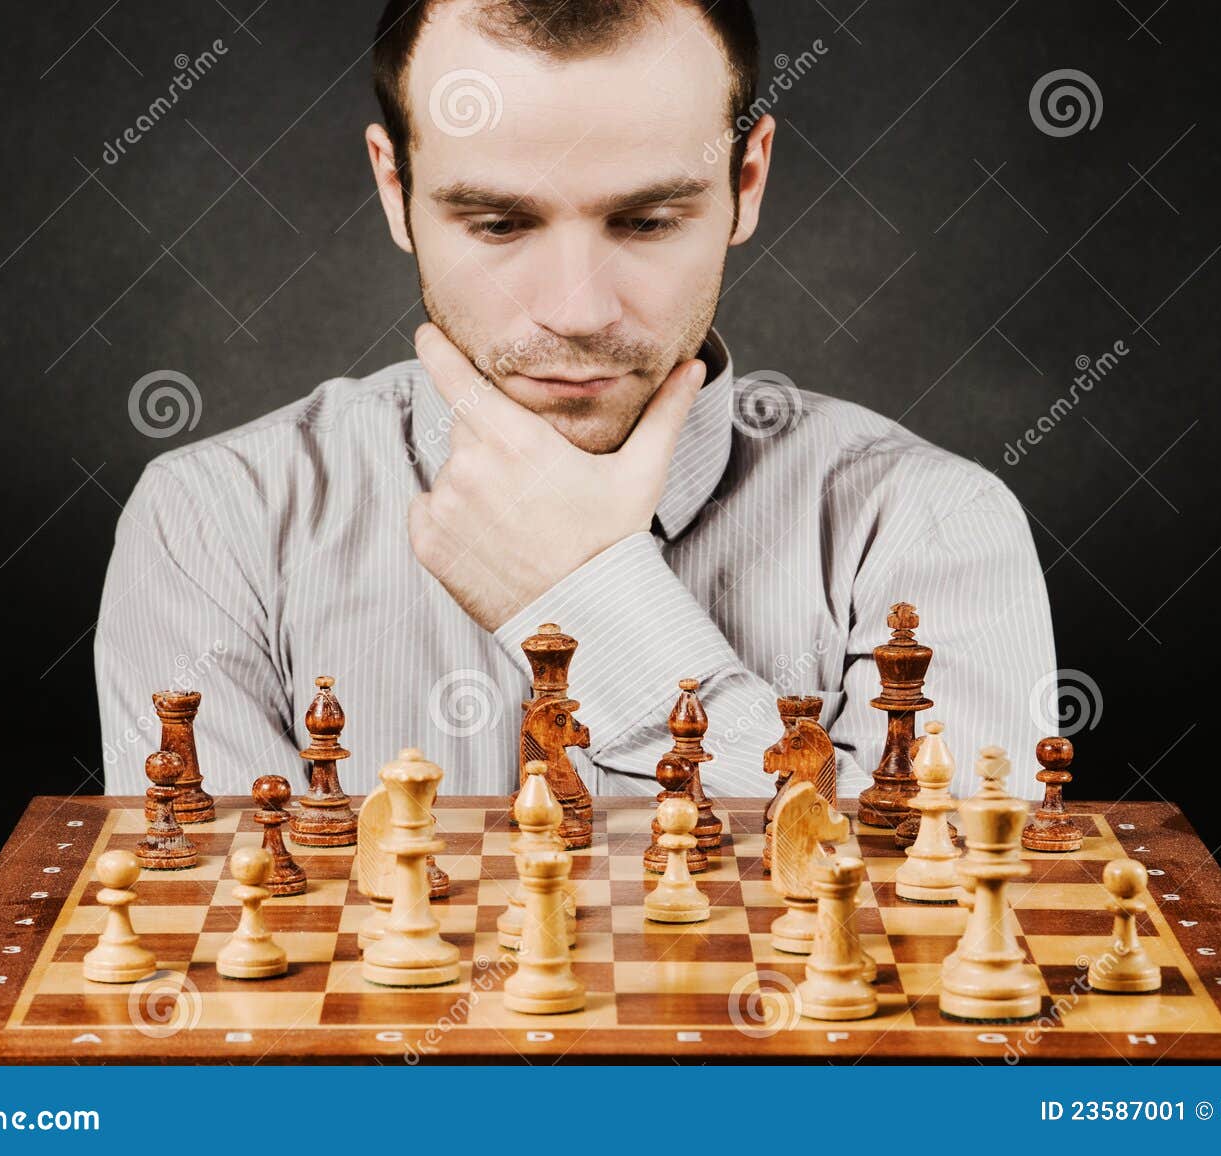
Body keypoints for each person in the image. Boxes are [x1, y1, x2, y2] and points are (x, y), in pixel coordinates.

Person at [95, 0, 1057, 801]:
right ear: (395, 189)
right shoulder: (210, 523)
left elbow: (932, 933)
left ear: (747, 181)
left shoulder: (935, 527)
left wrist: (581, 594)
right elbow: (229, 949)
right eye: (497, 223)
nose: (576, 310)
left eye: (646, 220)